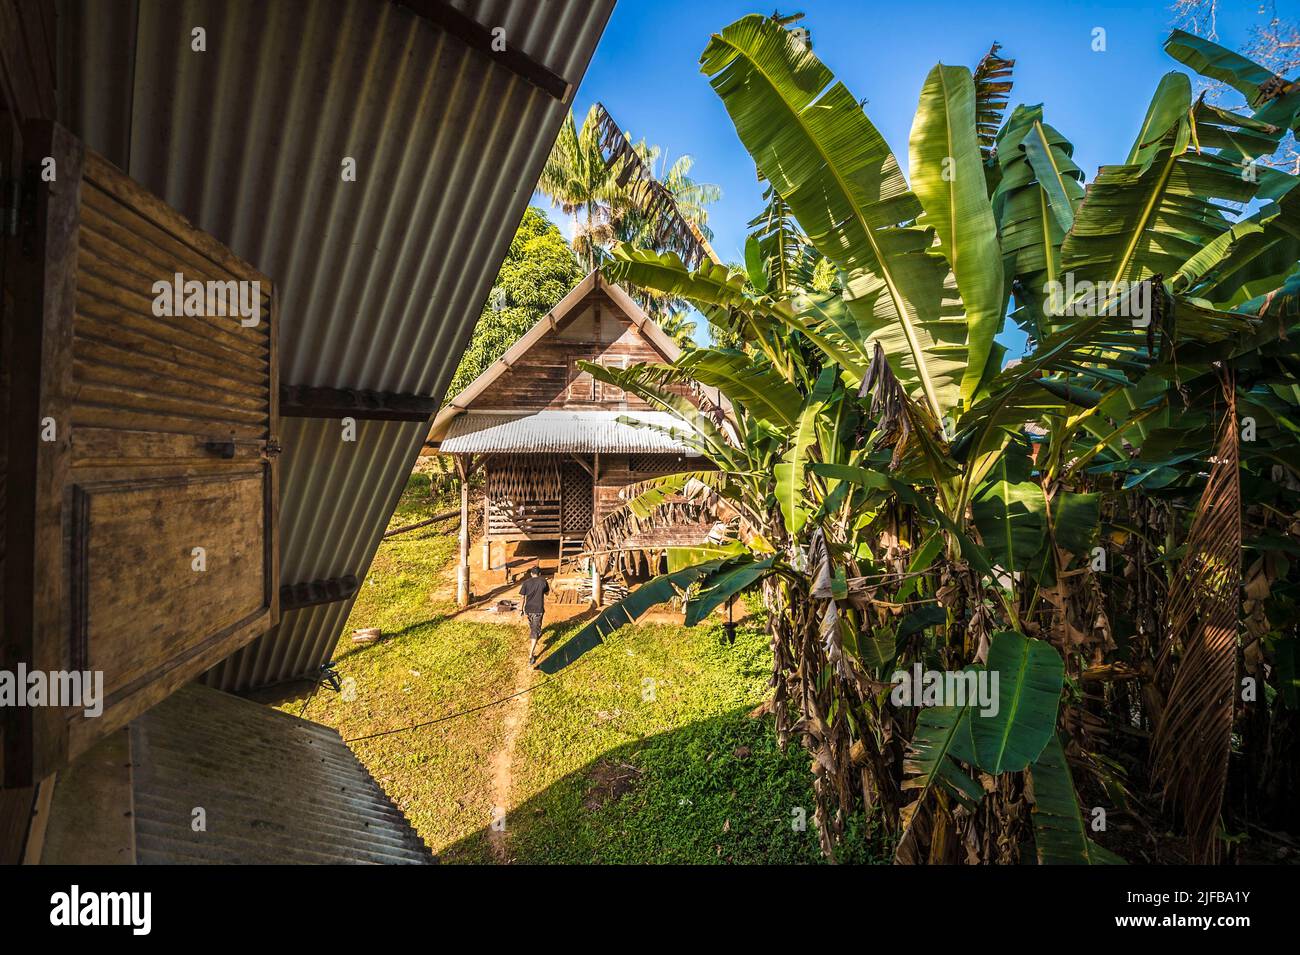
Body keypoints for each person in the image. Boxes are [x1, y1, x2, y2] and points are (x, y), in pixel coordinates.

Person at [518, 565, 549, 666]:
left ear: (531, 574)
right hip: (538, 610)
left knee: (533, 626)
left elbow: (522, 597)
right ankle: (531, 655)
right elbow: (547, 593)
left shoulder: (526, 583)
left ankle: (536, 632)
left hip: (528, 610)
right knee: (534, 631)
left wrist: (520, 609)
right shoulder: (543, 581)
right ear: (539, 574)